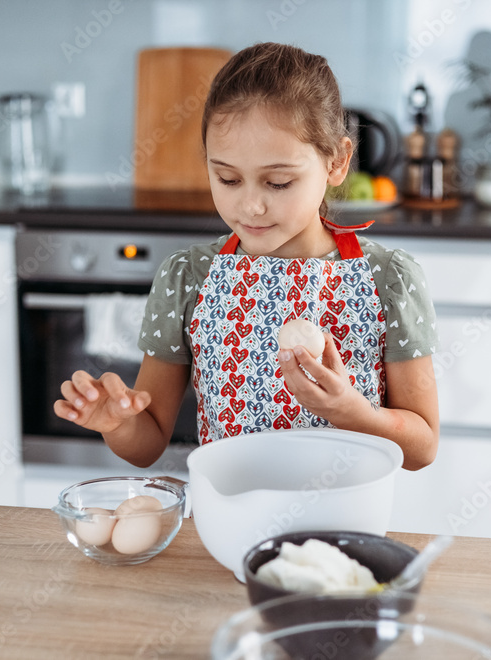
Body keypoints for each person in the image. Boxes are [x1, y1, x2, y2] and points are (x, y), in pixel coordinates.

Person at [55, 42, 439, 471]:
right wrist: (117, 424)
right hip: (229, 526)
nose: (251, 206)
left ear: (337, 161)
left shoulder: (388, 278)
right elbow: (148, 444)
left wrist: (353, 412)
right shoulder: (188, 277)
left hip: (344, 526)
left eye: (277, 183)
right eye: (228, 178)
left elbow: (422, 448)